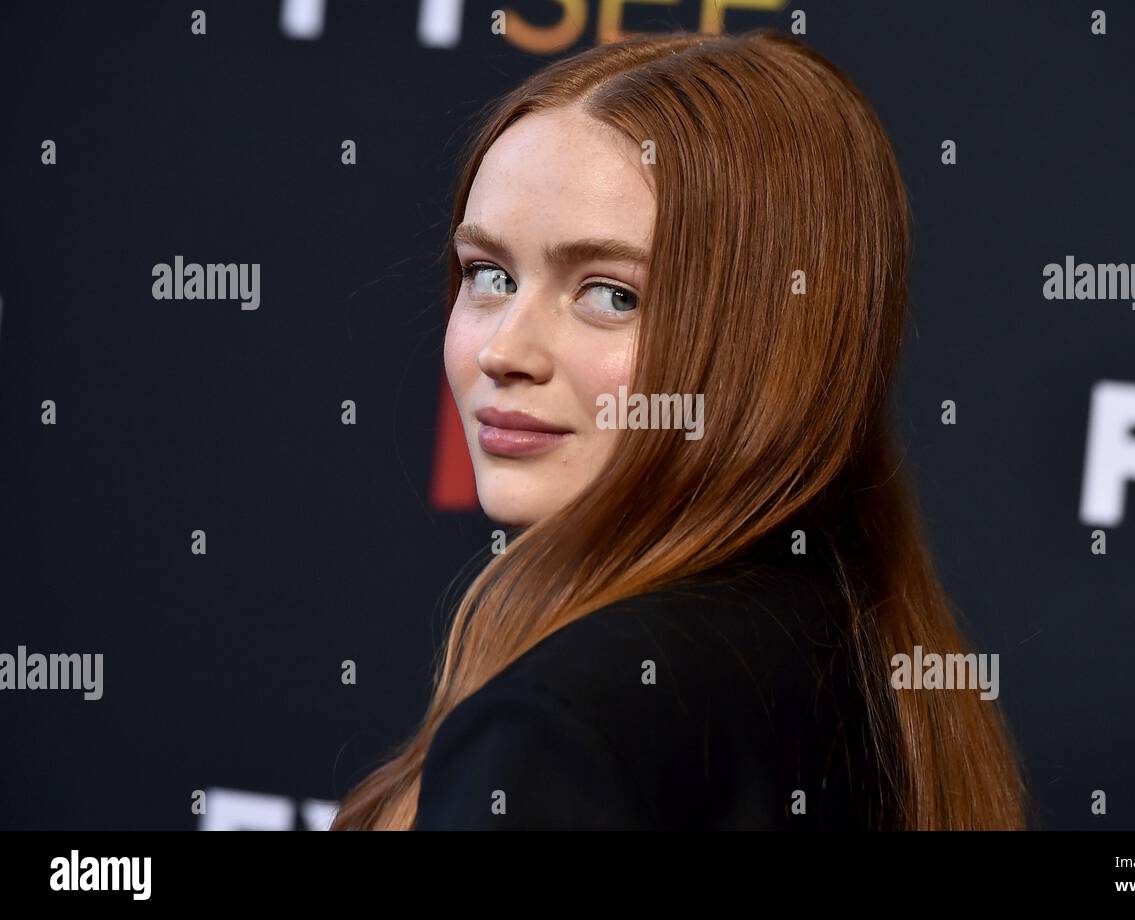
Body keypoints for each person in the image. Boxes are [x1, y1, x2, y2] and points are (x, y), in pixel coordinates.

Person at [331, 28, 1028, 830]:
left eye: (611, 294)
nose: (503, 351)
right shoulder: (873, 670)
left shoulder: (567, 721)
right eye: (491, 276)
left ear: (770, 344)